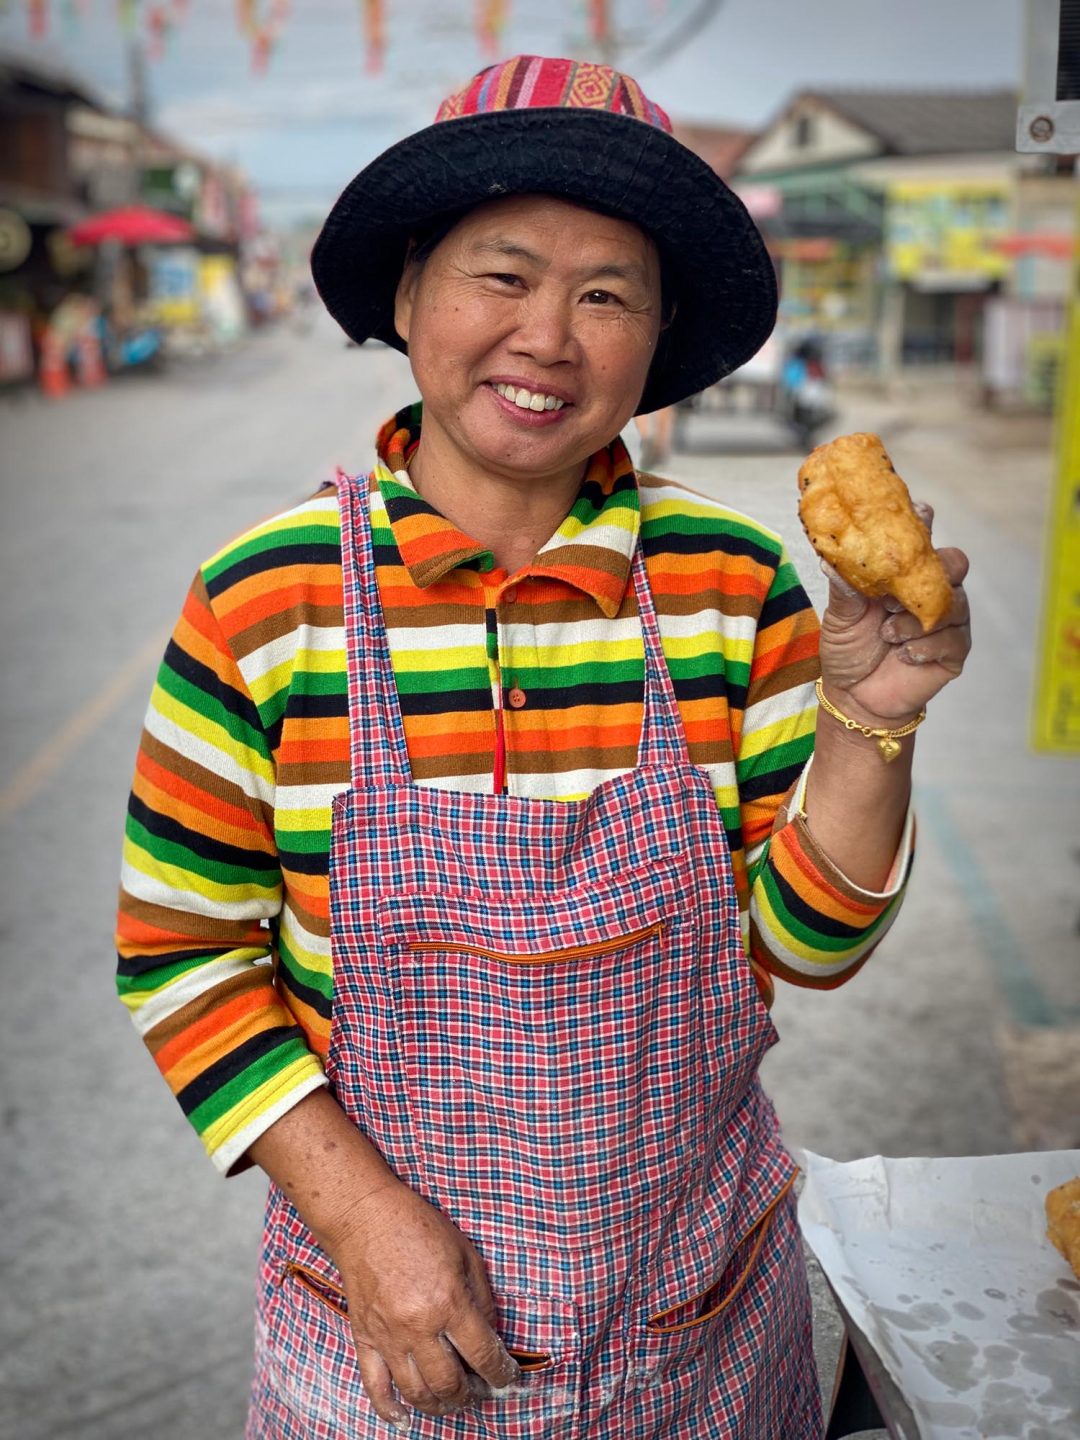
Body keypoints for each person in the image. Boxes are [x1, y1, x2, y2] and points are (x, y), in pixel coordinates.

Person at [115, 55, 971, 1438]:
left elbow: (805, 948)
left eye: (606, 294)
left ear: (659, 338)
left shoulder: (731, 581)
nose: (549, 339)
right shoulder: (264, 602)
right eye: (501, 275)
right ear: (408, 296)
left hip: (700, 1323)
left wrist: (878, 716)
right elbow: (180, 957)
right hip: (383, 1339)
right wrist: (371, 1226)